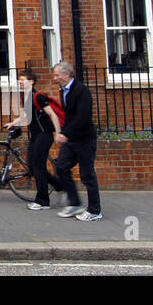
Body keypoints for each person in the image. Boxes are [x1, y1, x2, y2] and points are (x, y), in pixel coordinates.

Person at [4, 71, 63, 210]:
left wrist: (58, 133)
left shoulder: (38, 97)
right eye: (19, 80)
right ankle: (59, 185)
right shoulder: (27, 97)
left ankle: (42, 200)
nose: (20, 82)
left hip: (44, 135)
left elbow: (52, 115)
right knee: (32, 166)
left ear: (31, 82)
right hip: (36, 136)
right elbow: (25, 116)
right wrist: (13, 123)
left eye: (23, 80)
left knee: (39, 167)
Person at [51, 61, 101, 220]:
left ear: (67, 74)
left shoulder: (81, 90)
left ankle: (94, 211)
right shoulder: (64, 90)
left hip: (85, 139)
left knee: (87, 175)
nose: (55, 78)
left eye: (57, 75)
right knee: (61, 167)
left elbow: (82, 117)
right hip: (72, 139)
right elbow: (69, 116)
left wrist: (65, 134)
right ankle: (74, 204)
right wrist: (64, 132)